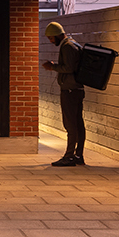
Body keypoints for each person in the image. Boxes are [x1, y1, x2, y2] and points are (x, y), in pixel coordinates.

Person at [43, 20, 86, 166]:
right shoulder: (74, 44)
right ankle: (78, 155)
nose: (50, 41)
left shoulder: (67, 47)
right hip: (76, 89)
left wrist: (52, 66)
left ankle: (69, 156)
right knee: (78, 123)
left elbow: (69, 68)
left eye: (51, 38)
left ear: (56, 35)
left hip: (70, 90)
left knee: (70, 124)